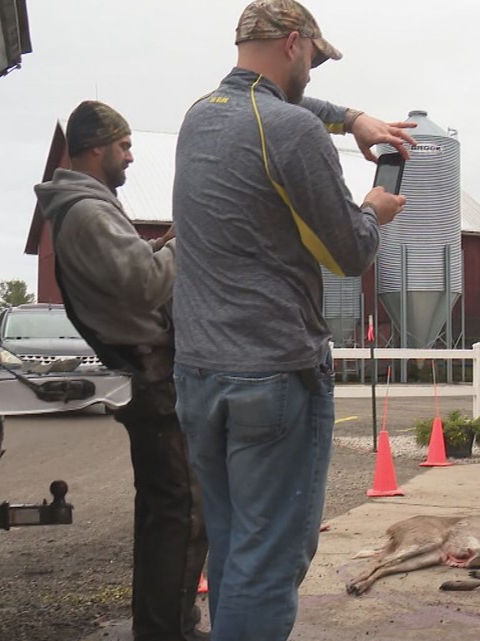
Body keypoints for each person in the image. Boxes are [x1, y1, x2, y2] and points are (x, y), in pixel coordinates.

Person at [169, 2, 414, 640]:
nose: (312, 71)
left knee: (233, 544)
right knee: (271, 558)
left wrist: (351, 117)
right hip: (274, 375)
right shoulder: (292, 130)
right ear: (294, 43)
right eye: (312, 58)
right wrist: (374, 208)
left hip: (199, 375)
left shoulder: (199, 117)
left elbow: (279, 103)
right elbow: (349, 251)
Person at [33, 100, 209, 641]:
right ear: (95, 148)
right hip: (151, 376)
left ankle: (162, 625)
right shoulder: (88, 212)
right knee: (182, 511)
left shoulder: (86, 208)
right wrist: (188, 241)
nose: (130, 156)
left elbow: (128, 271)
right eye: (124, 145)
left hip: (144, 373)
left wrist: (159, 245)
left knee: (164, 510)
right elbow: (146, 285)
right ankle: (168, 631)